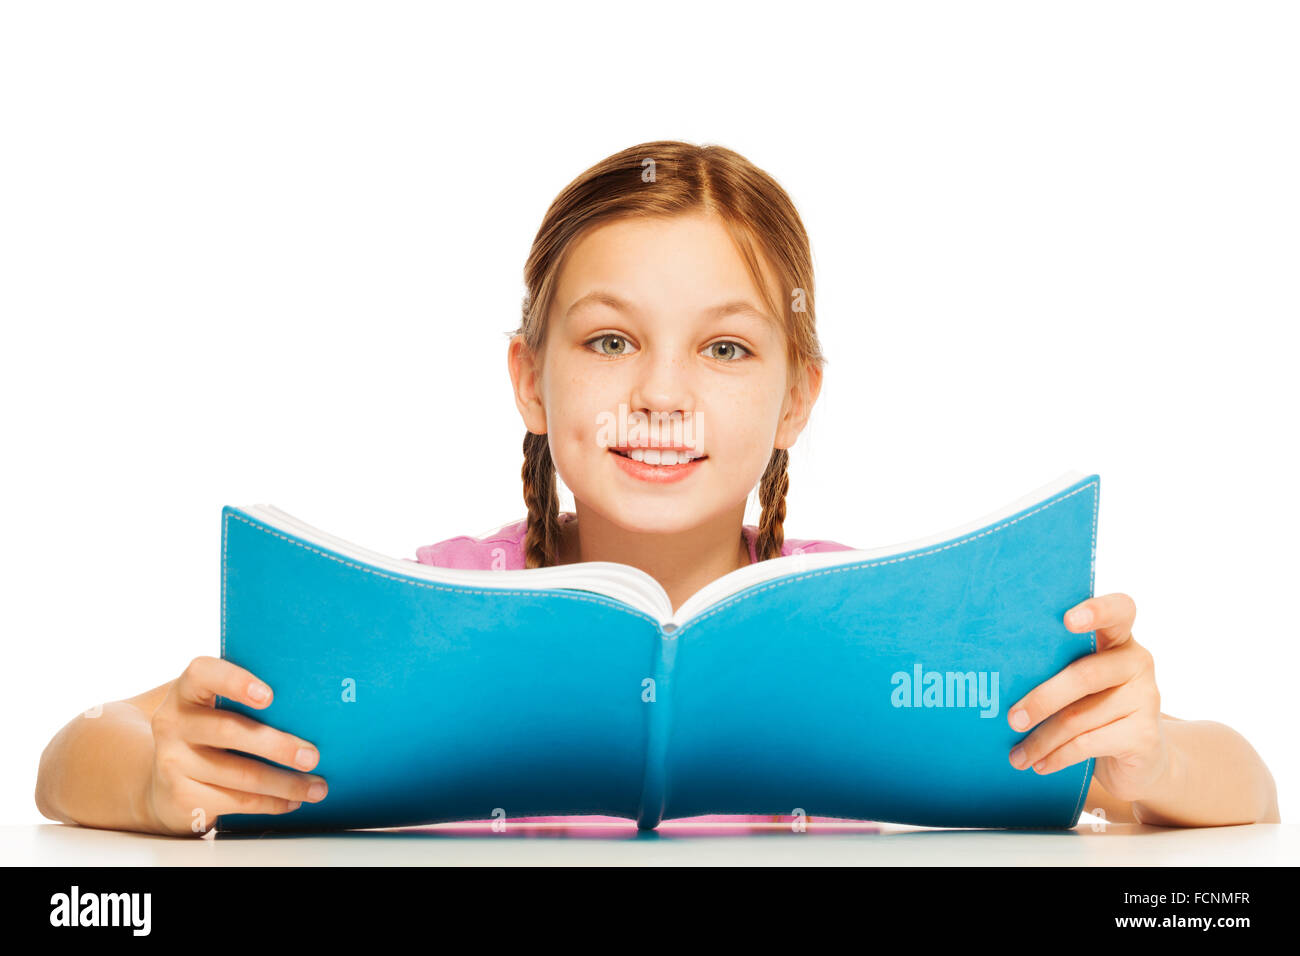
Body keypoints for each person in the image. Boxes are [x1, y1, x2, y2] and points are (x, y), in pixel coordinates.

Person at [35, 141, 1279, 835]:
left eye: (726, 347)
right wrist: (150, 777)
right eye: (609, 340)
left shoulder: (883, 609)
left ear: (797, 395)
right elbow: (70, 759)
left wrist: (1140, 750)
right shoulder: (423, 597)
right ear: (530, 377)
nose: (660, 391)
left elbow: (1250, 791)